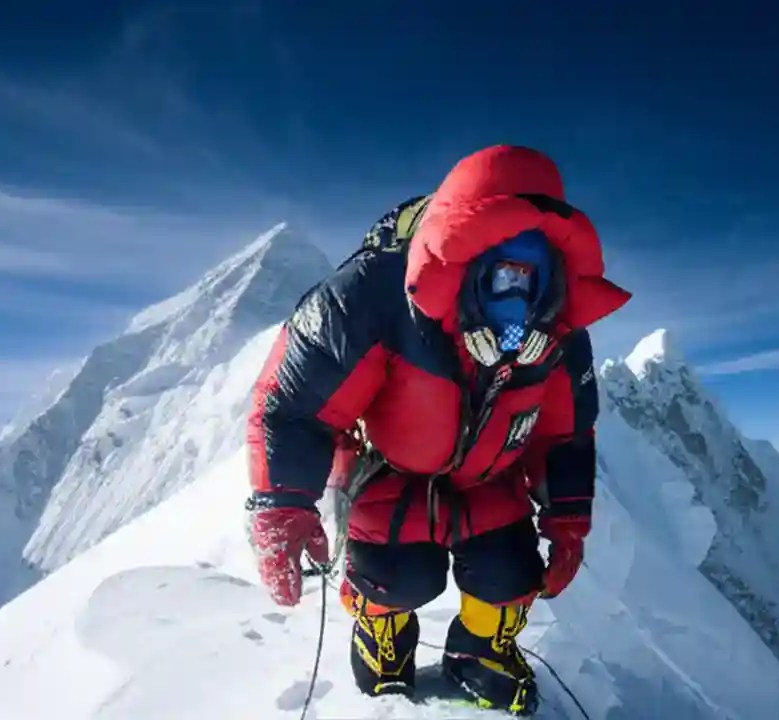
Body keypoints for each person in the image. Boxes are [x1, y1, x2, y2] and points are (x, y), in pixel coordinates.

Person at [244, 145, 630, 715]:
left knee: (511, 569)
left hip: (489, 476)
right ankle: (384, 639)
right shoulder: (372, 297)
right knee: (395, 575)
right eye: (504, 277)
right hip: (389, 469)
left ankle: (479, 652)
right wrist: (281, 505)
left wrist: (568, 519)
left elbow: (566, 433)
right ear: (462, 262)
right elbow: (291, 403)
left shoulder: (561, 332)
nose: (518, 302)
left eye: (532, 281)